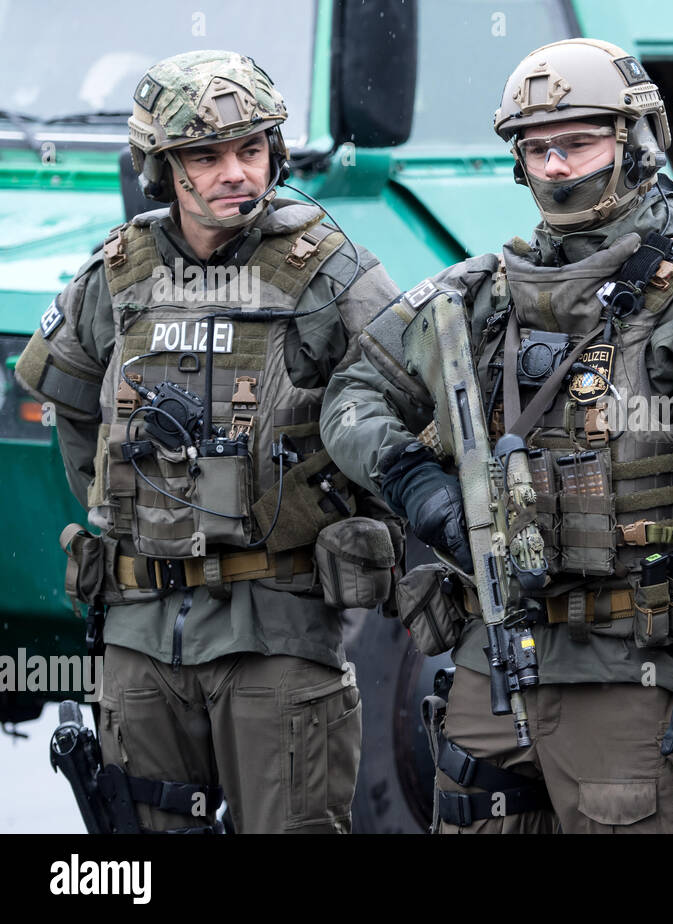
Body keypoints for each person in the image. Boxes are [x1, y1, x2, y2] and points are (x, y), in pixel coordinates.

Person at [321, 38, 673, 833]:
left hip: (633, 677)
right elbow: (351, 401)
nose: (555, 167)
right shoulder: (472, 295)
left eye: (577, 143)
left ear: (637, 143)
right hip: (492, 670)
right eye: (536, 148)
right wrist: (415, 483)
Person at [16, 50, 401, 833]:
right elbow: (69, 403)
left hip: (277, 633)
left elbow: (411, 411)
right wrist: (125, 515)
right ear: (163, 169)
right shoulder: (118, 273)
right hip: (139, 634)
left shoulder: (330, 275)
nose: (236, 172)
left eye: (251, 150)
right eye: (207, 154)